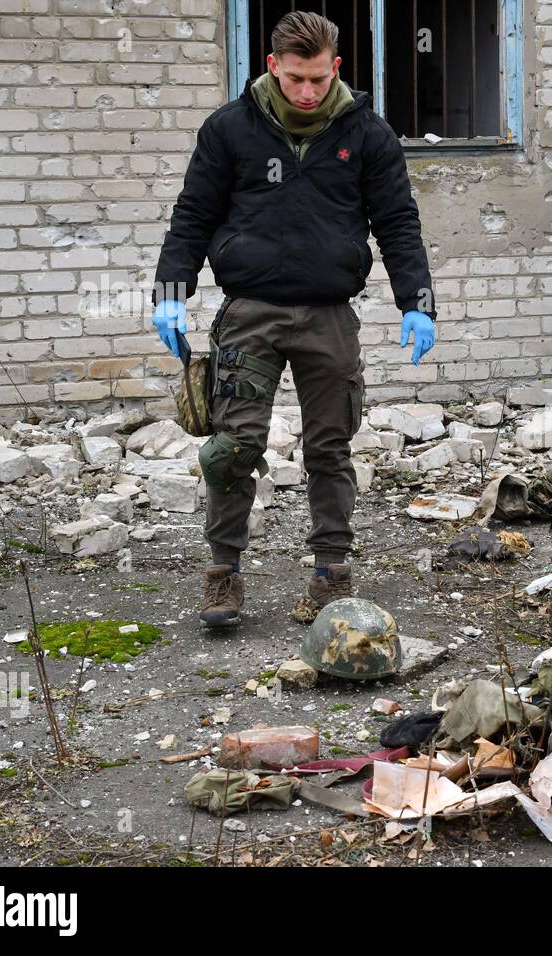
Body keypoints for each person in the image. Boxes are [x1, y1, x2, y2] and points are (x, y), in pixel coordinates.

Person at [149, 11, 436, 628]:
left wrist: (418, 302)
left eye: (318, 78)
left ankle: (332, 574)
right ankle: (223, 575)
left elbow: (398, 222)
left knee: (329, 447)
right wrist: (171, 291)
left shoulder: (368, 134)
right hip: (250, 311)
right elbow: (193, 214)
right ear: (272, 66)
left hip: (329, 314)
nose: (306, 92)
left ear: (335, 67)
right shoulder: (230, 129)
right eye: (295, 79)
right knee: (235, 445)